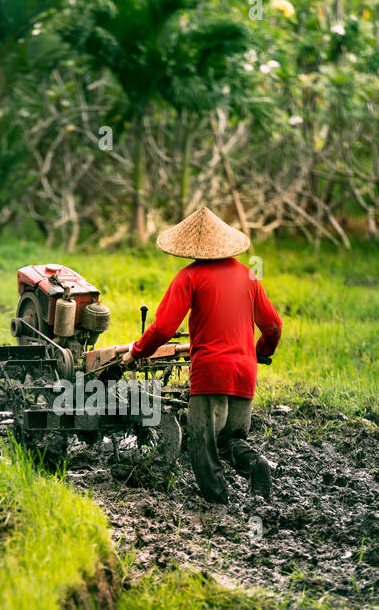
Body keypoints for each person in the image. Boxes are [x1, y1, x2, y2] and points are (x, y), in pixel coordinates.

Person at [121, 206, 282, 503]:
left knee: (202, 445)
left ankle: (217, 505)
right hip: (245, 373)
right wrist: (259, 353)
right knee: (231, 440)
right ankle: (255, 466)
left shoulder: (189, 277)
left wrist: (137, 351)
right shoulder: (249, 276)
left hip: (210, 373)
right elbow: (273, 325)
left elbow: (164, 327)